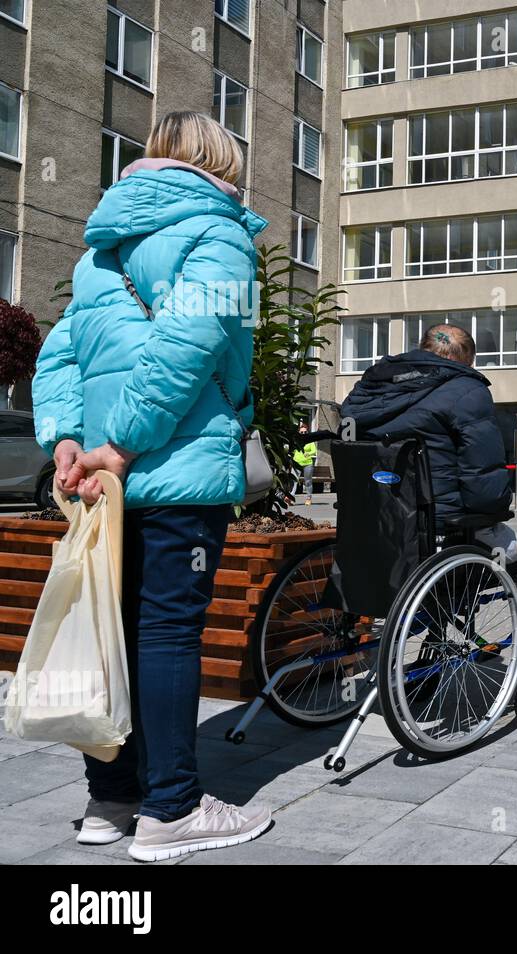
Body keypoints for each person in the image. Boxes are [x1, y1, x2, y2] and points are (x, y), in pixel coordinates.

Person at [31, 111, 271, 861]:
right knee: (165, 633)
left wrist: (68, 441)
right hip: (172, 472)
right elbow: (187, 346)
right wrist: (119, 447)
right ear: (221, 161)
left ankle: (111, 800)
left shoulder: (100, 249)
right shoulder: (220, 233)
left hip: (104, 482)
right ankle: (171, 810)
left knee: (111, 633)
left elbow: (57, 357)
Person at [340, 323, 517, 568]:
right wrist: (496, 508)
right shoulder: (468, 390)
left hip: (370, 518)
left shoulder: (371, 387)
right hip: (441, 524)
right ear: (464, 359)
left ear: (424, 348)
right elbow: (482, 475)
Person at [292, 422, 317, 505]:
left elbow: (314, 451)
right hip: (297, 463)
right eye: (301, 432)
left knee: (308, 482)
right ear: (299, 432)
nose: (303, 433)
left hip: (307, 463)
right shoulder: (295, 440)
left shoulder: (310, 441)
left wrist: (309, 454)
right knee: (294, 480)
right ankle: (291, 497)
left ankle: (308, 498)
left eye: (305, 432)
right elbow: (292, 450)